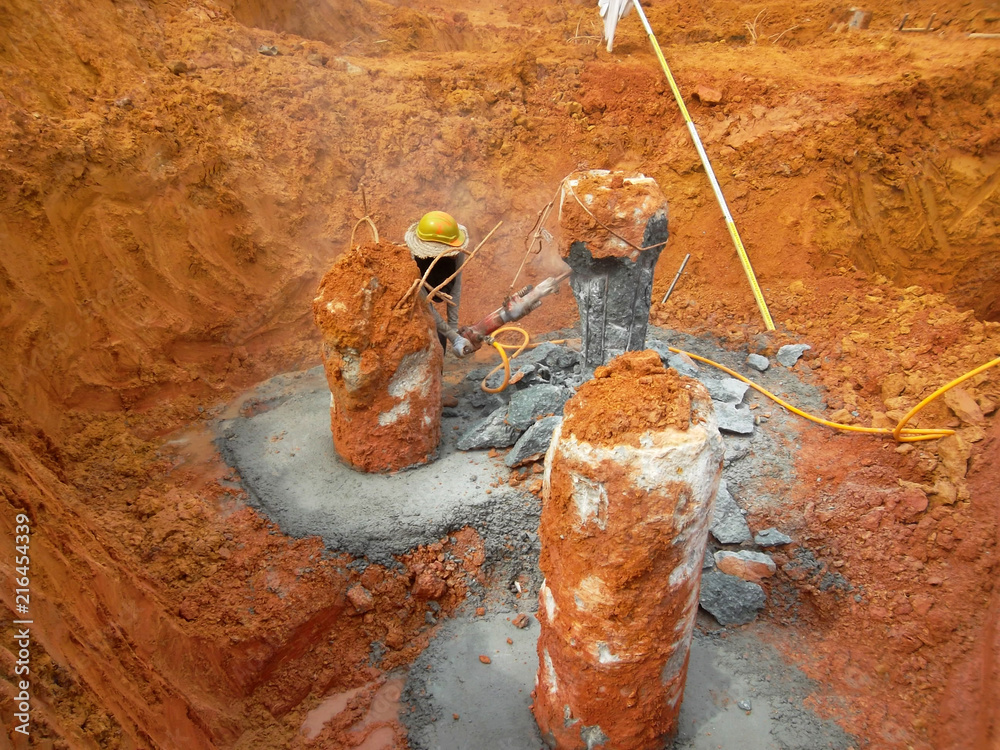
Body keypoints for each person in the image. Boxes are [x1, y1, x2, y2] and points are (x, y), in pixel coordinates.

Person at [404, 211, 470, 354]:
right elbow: (425, 304)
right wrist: (454, 337)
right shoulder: (412, 261)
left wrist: (453, 329)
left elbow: (456, 287)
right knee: (433, 338)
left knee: (442, 337)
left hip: (435, 290)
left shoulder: (455, 251)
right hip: (415, 303)